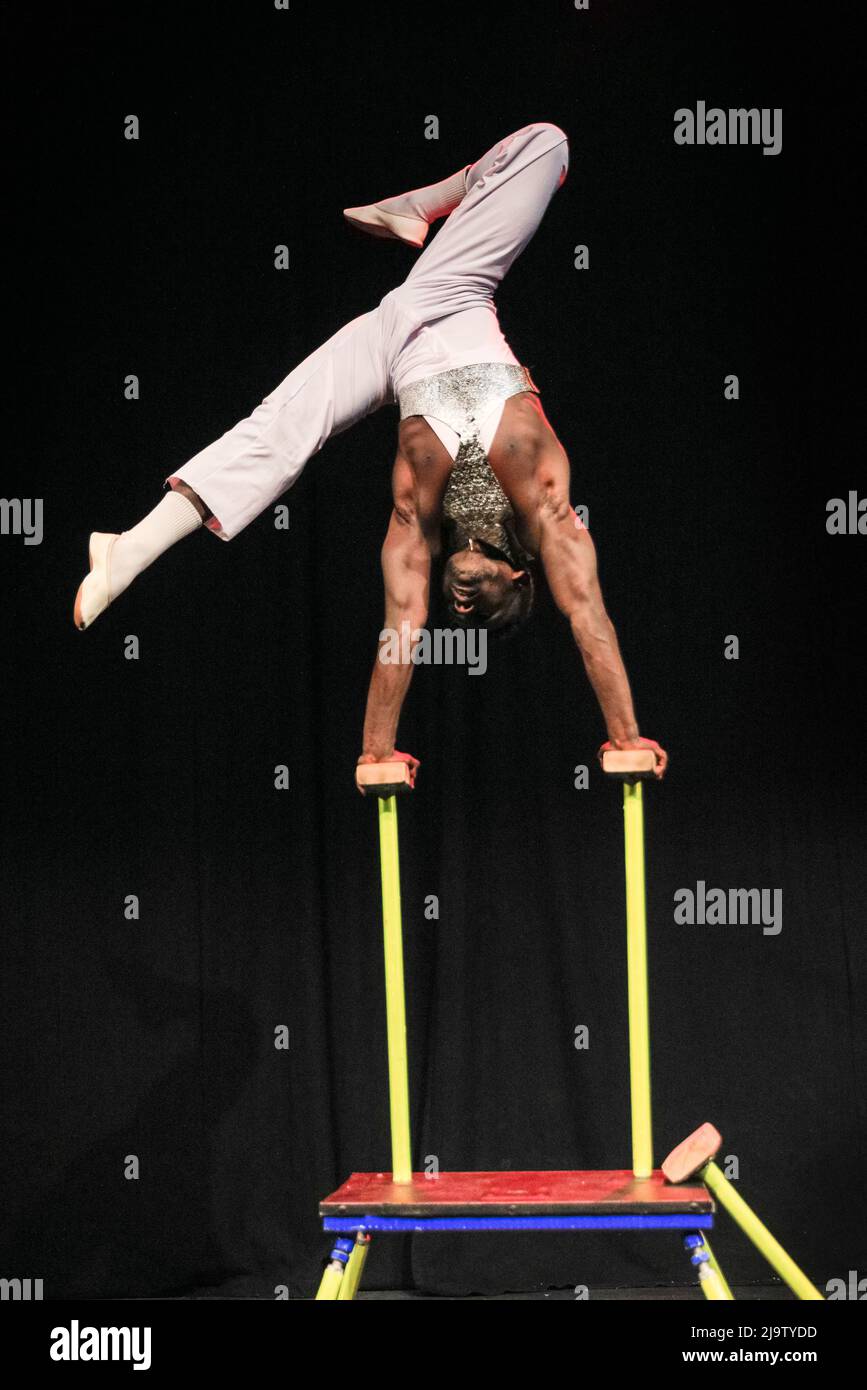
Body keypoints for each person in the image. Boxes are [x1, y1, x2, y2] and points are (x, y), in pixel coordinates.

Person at [73, 122, 667, 782]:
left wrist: (377, 752)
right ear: (522, 577)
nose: (464, 606)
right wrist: (624, 735)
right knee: (547, 144)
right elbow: (586, 612)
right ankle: (425, 201)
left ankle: (128, 548)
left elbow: (402, 630)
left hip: (392, 352)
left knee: (278, 429)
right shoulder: (545, 504)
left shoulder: (417, 521)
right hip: (453, 299)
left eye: (460, 614)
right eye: (490, 606)